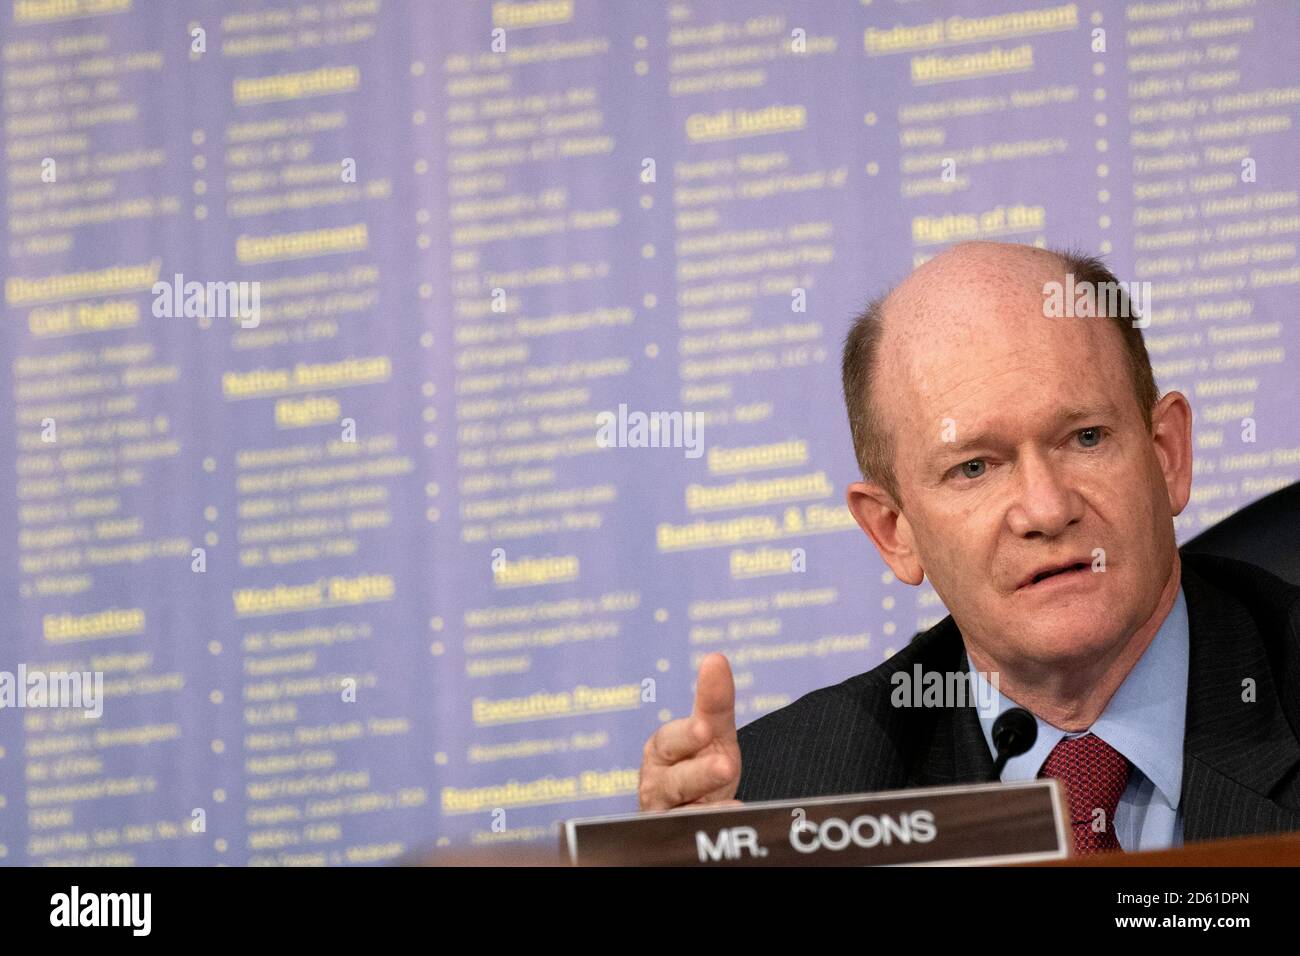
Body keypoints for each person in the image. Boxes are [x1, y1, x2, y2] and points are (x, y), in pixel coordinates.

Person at [636, 241, 1300, 854]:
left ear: (1168, 456)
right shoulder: (785, 805)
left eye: (1087, 438)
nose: (1046, 509)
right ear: (894, 532)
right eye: (975, 468)